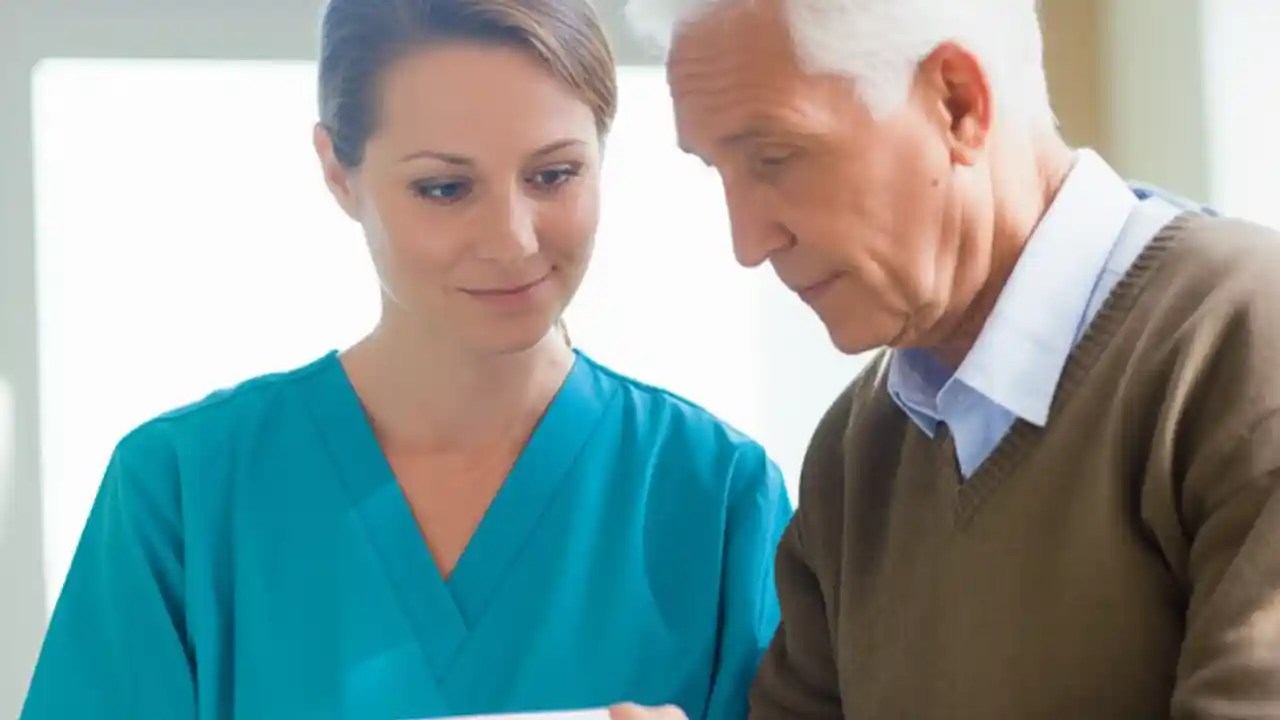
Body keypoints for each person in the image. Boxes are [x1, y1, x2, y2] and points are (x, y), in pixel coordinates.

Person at [20, 0, 793, 717]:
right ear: (337, 171)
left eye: (554, 175)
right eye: (445, 188)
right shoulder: (182, 495)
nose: (512, 240)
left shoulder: (718, 496)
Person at [618, 0, 1280, 717]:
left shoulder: (1242, 343)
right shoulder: (855, 453)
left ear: (958, 104)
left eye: (775, 159)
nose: (748, 243)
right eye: (718, 171)